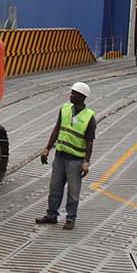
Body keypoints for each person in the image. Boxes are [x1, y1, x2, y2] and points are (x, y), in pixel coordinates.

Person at [35, 81, 96, 230]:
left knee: (73, 192)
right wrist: (47, 148)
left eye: (74, 94)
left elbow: (89, 142)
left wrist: (86, 162)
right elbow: (56, 129)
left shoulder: (89, 117)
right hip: (60, 156)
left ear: (82, 97)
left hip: (75, 160)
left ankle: (70, 219)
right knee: (55, 188)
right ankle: (51, 215)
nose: (71, 95)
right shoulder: (65, 109)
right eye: (71, 93)